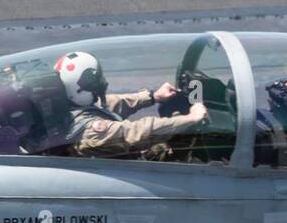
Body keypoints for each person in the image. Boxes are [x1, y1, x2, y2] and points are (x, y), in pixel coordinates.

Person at [53, 50, 208, 158]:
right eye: (97, 80)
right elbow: (137, 131)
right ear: (82, 87)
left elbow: (109, 105)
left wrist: (153, 96)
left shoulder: (70, 107)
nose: (102, 82)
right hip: (131, 172)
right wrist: (190, 119)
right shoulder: (93, 132)